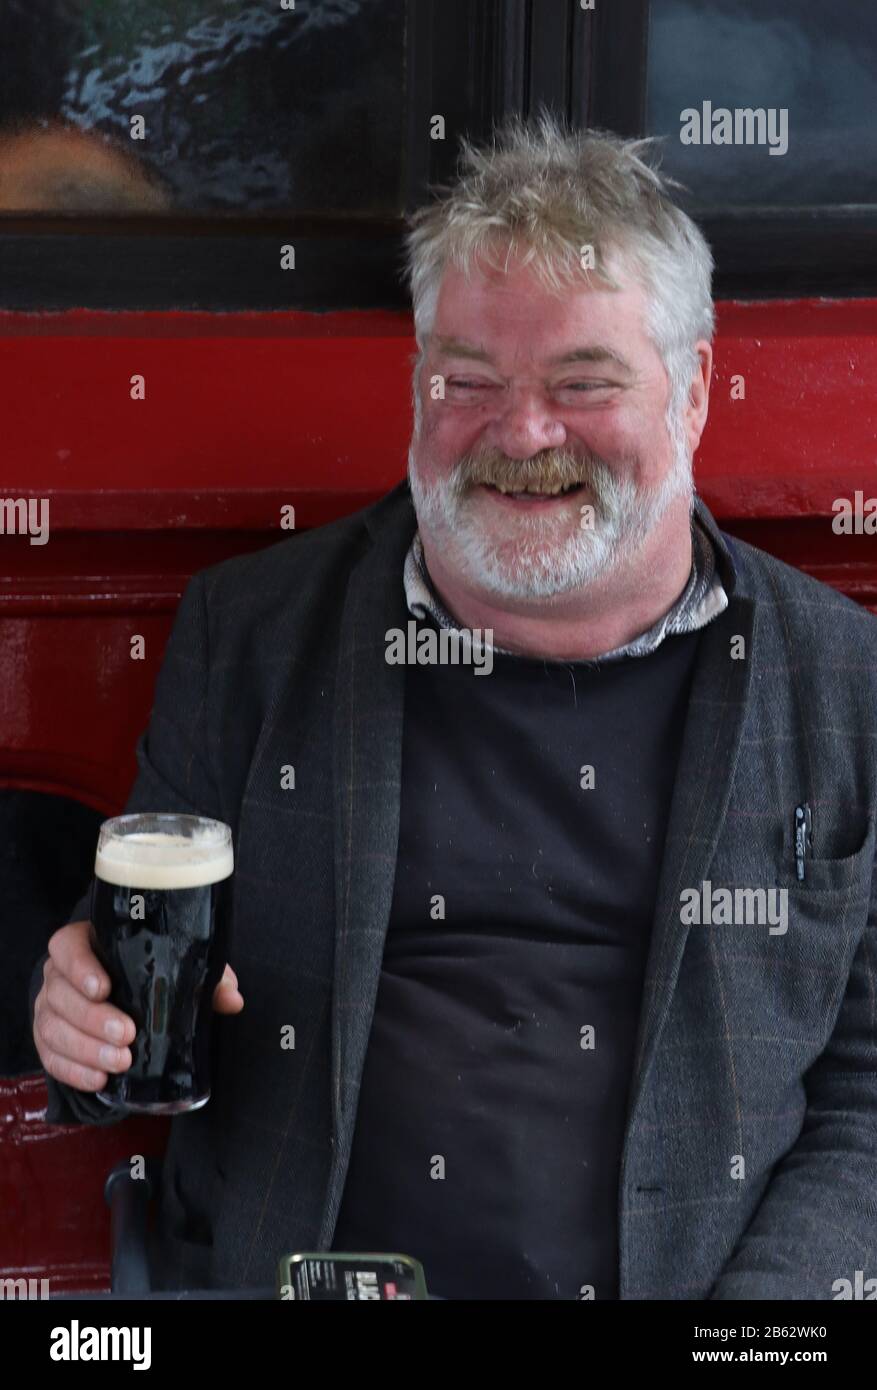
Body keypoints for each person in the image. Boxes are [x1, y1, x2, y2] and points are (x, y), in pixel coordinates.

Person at [30, 114, 877, 1300]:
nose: (523, 434)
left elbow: (869, 1094)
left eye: (583, 382)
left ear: (690, 392)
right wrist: (80, 1024)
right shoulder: (257, 631)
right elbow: (141, 996)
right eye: (469, 380)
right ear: (419, 381)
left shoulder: (846, 681)